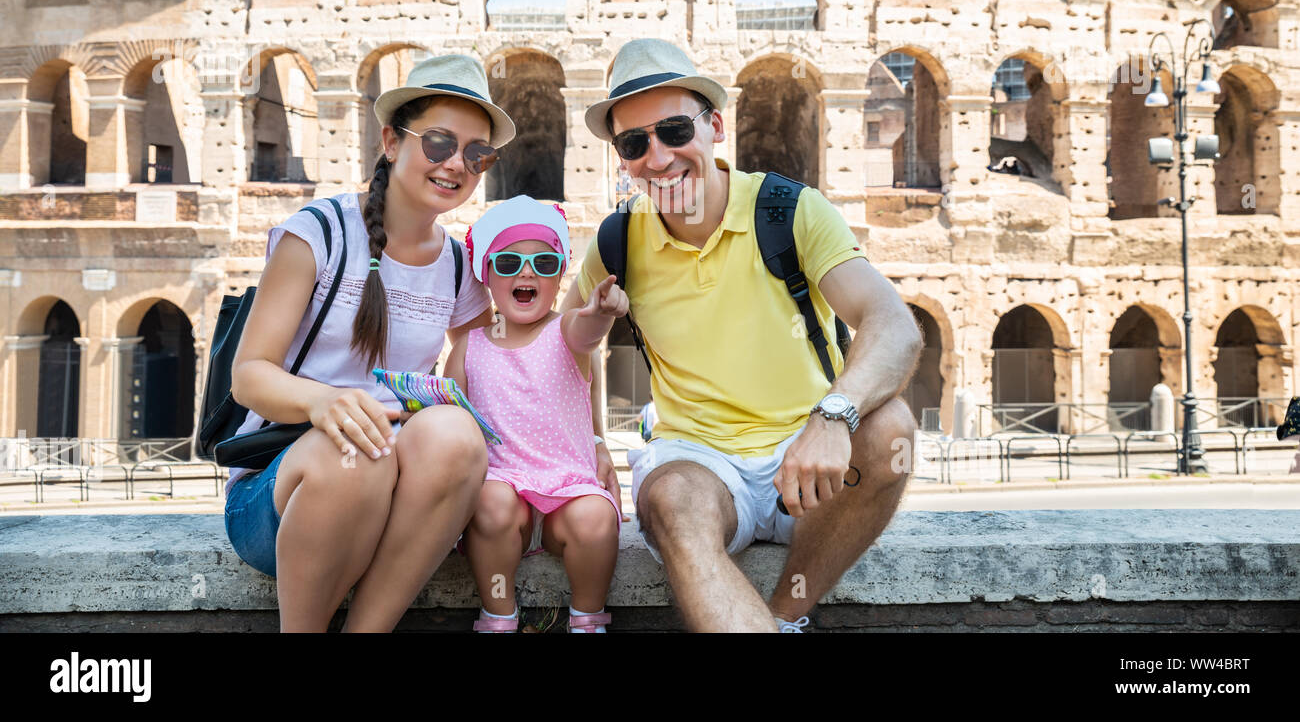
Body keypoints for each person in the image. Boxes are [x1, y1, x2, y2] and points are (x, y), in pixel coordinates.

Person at [559, 38, 923, 633]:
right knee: (672, 500)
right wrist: (590, 439)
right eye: (634, 143)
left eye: (675, 130)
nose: (658, 157)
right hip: (698, 461)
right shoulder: (617, 240)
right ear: (621, 158)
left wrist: (834, 416)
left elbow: (893, 323)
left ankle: (784, 615)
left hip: (806, 456)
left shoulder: (788, 209)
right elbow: (566, 347)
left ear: (715, 126)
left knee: (890, 431)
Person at [224, 53, 513, 632]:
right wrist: (321, 401)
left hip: (390, 491)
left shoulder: (459, 265)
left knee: (456, 434)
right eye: (438, 143)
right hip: (283, 489)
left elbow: (496, 369)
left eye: (477, 154)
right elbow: (248, 373)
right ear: (391, 140)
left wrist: (587, 445)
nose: (457, 163)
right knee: (353, 448)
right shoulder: (318, 234)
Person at [444, 196, 625, 633]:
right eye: (508, 263)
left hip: (569, 485)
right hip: (503, 490)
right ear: (486, 273)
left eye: (543, 263)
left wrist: (599, 315)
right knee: (490, 503)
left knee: (595, 519)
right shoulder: (469, 348)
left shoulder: (565, 331)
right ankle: (498, 614)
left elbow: (586, 333)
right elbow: (450, 419)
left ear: (560, 274)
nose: (526, 272)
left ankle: (587, 618)